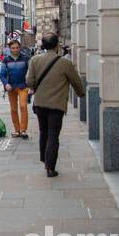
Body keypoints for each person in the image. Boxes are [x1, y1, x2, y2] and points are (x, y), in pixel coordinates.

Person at [26, 33, 85, 177]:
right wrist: (80, 93)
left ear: (43, 46)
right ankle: (50, 167)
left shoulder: (35, 60)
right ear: (57, 45)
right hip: (57, 105)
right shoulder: (65, 63)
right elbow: (76, 81)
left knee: (43, 132)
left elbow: (29, 82)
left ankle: (44, 158)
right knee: (53, 134)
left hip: (40, 103)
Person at [0, 37, 30, 139]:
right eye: (13, 48)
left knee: (23, 106)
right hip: (11, 87)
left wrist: (31, 85)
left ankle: (23, 130)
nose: (15, 50)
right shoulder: (6, 60)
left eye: (17, 48)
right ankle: (17, 130)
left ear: (19, 48)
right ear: (10, 49)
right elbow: (2, 74)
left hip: (23, 86)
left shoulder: (25, 58)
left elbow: (31, 72)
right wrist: (5, 84)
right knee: (13, 109)